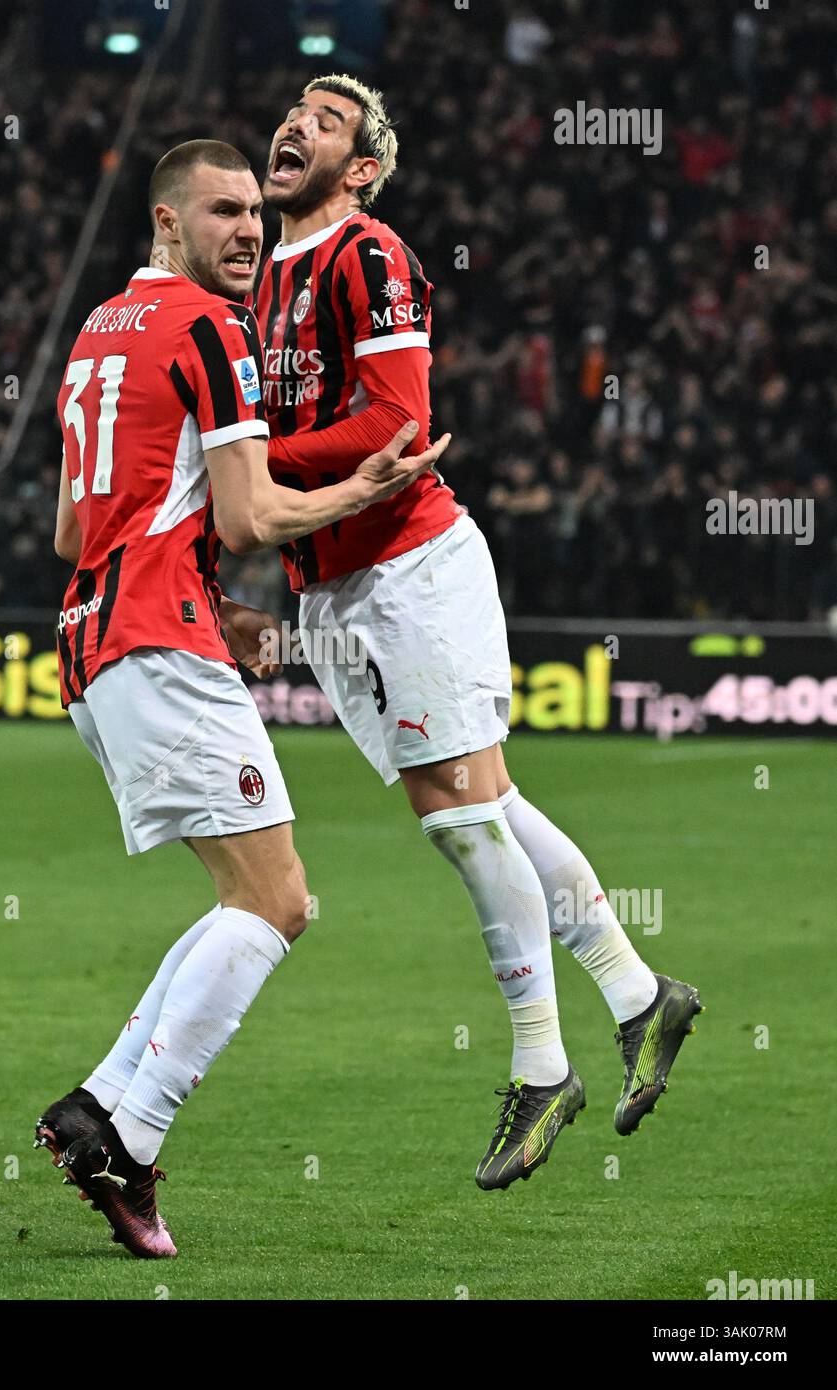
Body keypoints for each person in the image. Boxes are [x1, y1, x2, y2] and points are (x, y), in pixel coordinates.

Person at [255, 77, 701, 1190]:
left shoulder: (367, 254)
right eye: (292, 110)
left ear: (358, 167)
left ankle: (540, 1064)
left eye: (324, 120)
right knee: (480, 802)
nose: (294, 125)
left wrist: (254, 466)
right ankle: (641, 995)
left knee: (456, 816)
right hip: (330, 591)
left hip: (409, 565)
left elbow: (394, 422)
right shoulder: (258, 278)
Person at [35, 139, 449, 1257]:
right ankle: (129, 1125)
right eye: (222, 212)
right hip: (155, 635)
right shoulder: (214, 330)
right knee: (275, 901)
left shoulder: (94, 334)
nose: (247, 233)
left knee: (258, 896)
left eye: (252, 219)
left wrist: (217, 608)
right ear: (165, 222)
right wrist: (361, 487)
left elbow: (75, 530)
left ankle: (105, 1106)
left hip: (94, 639)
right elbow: (248, 517)